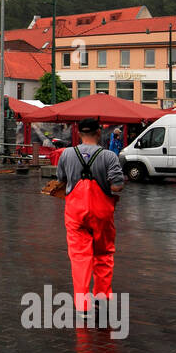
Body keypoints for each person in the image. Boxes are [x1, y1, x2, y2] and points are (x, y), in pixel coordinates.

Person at [56, 117, 126, 322]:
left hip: (75, 213)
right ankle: (102, 299)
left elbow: (61, 180)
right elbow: (117, 186)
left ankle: (82, 305)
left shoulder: (67, 154)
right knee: (103, 254)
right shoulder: (109, 156)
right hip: (102, 213)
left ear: (79, 134)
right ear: (99, 133)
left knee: (79, 257)